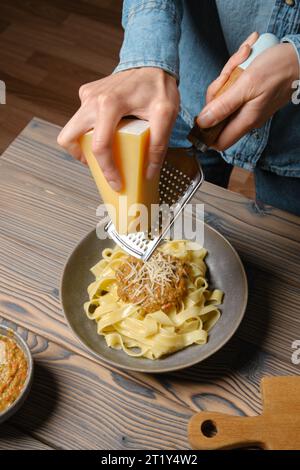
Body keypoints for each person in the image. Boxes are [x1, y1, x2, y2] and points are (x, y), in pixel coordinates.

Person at [57, 0, 300, 216]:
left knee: (283, 249)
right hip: (184, 96)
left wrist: (296, 60)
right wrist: (145, 56)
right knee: (164, 216)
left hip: (294, 146)